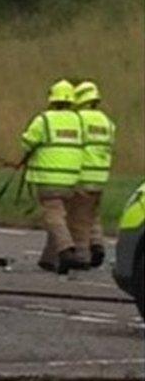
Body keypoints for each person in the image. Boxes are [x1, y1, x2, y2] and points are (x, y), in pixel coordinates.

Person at [20, 79, 85, 274]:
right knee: (59, 216)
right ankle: (48, 259)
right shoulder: (78, 120)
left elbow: (27, 142)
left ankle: (66, 250)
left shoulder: (44, 120)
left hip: (48, 177)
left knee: (53, 216)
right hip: (72, 178)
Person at [69, 81, 116, 269]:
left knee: (78, 217)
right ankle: (97, 244)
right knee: (92, 212)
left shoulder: (78, 120)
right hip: (100, 176)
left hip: (82, 175)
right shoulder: (106, 121)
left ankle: (81, 256)